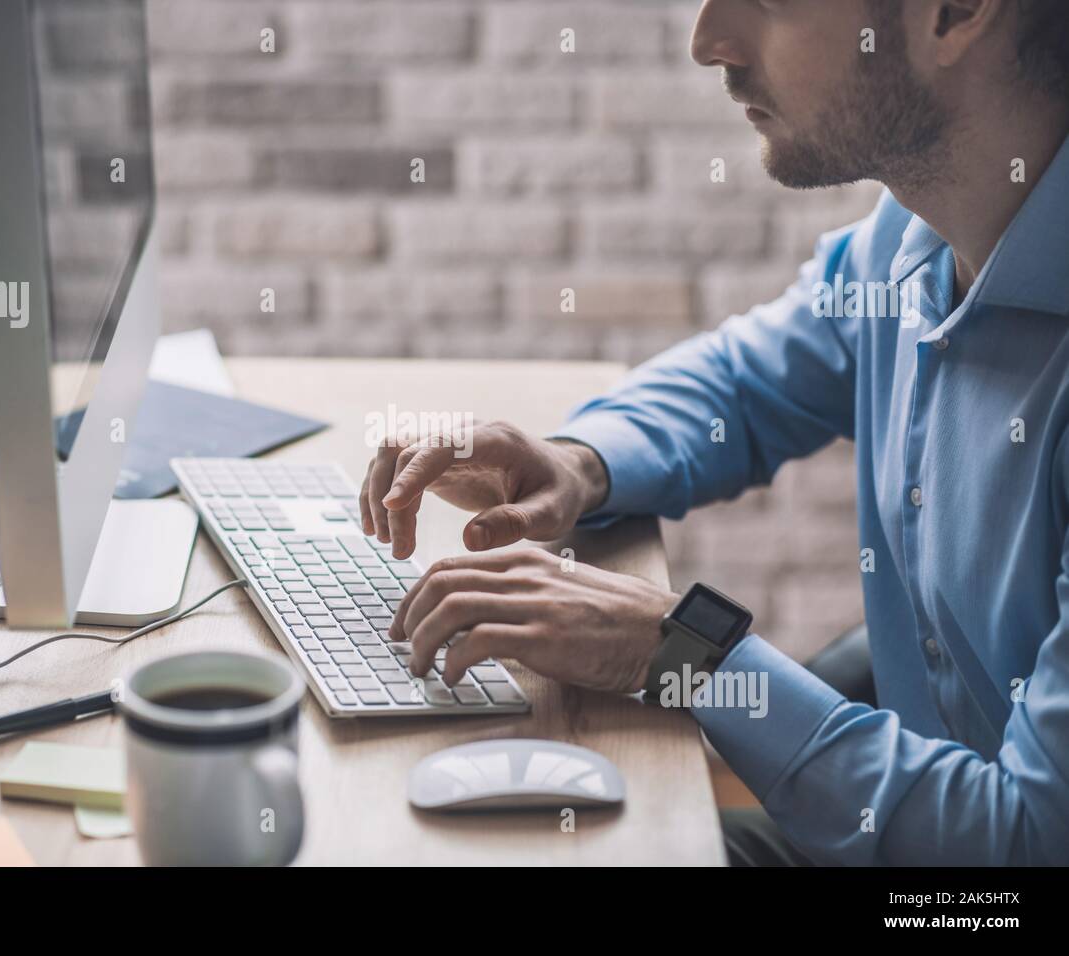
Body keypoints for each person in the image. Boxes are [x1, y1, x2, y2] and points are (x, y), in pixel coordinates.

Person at [359, 0, 1069, 866]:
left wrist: (684, 651)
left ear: (956, 12)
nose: (709, 43)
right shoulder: (914, 238)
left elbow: (1024, 843)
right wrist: (575, 464)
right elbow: (749, 380)